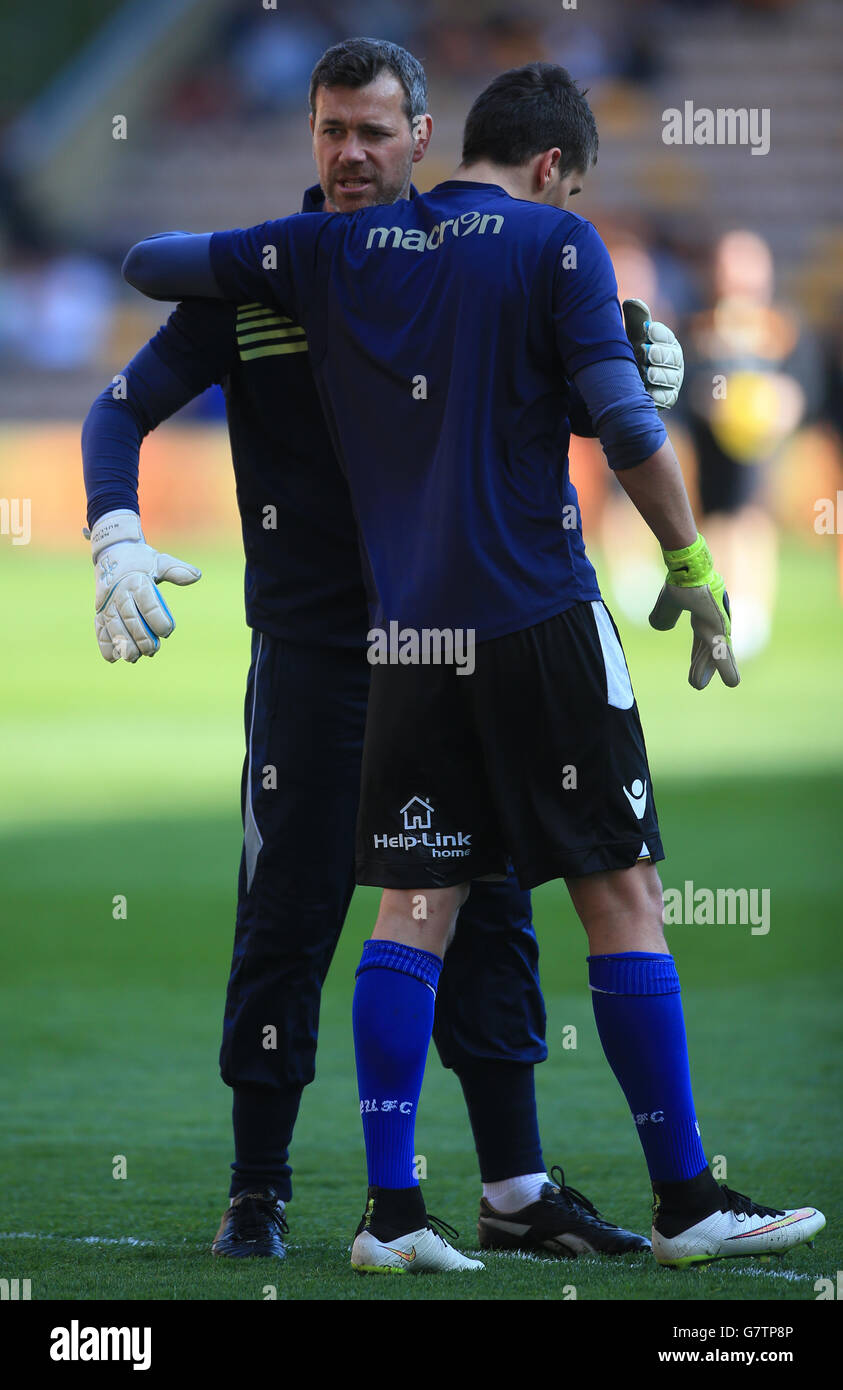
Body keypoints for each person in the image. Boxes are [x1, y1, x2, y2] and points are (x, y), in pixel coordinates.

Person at [125, 61, 821, 1280]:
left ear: (444, 141)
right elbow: (626, 420)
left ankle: (395, 1212)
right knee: (622, 898)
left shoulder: (354, 251)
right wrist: (696, 567)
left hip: (404, 639)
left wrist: (256, 249)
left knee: (415, 910)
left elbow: (158, 261)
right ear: (555, 166)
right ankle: (685, 1196)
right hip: (539, 615)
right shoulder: (558, 244)